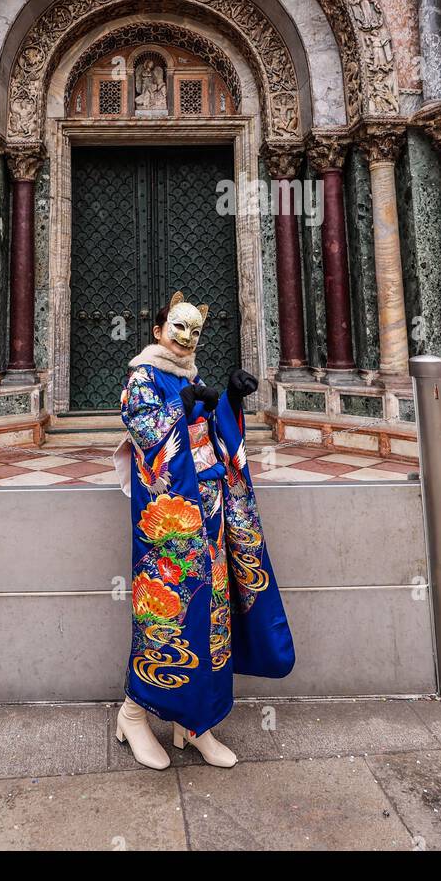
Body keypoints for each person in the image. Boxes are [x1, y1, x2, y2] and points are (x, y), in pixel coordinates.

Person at [115, 293, 295, 769]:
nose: (186, 338)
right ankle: (133, 715)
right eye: (178, 327)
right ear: (157, 330)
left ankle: (194, 725)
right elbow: (148, 437)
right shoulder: (141, 378)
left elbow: (214, 436)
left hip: (212, 517)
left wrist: (231, 399)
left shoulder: (190, 377)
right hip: (171, 531)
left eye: (195, 331)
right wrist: (182, 412)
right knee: (170, 618)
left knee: (211, 617)